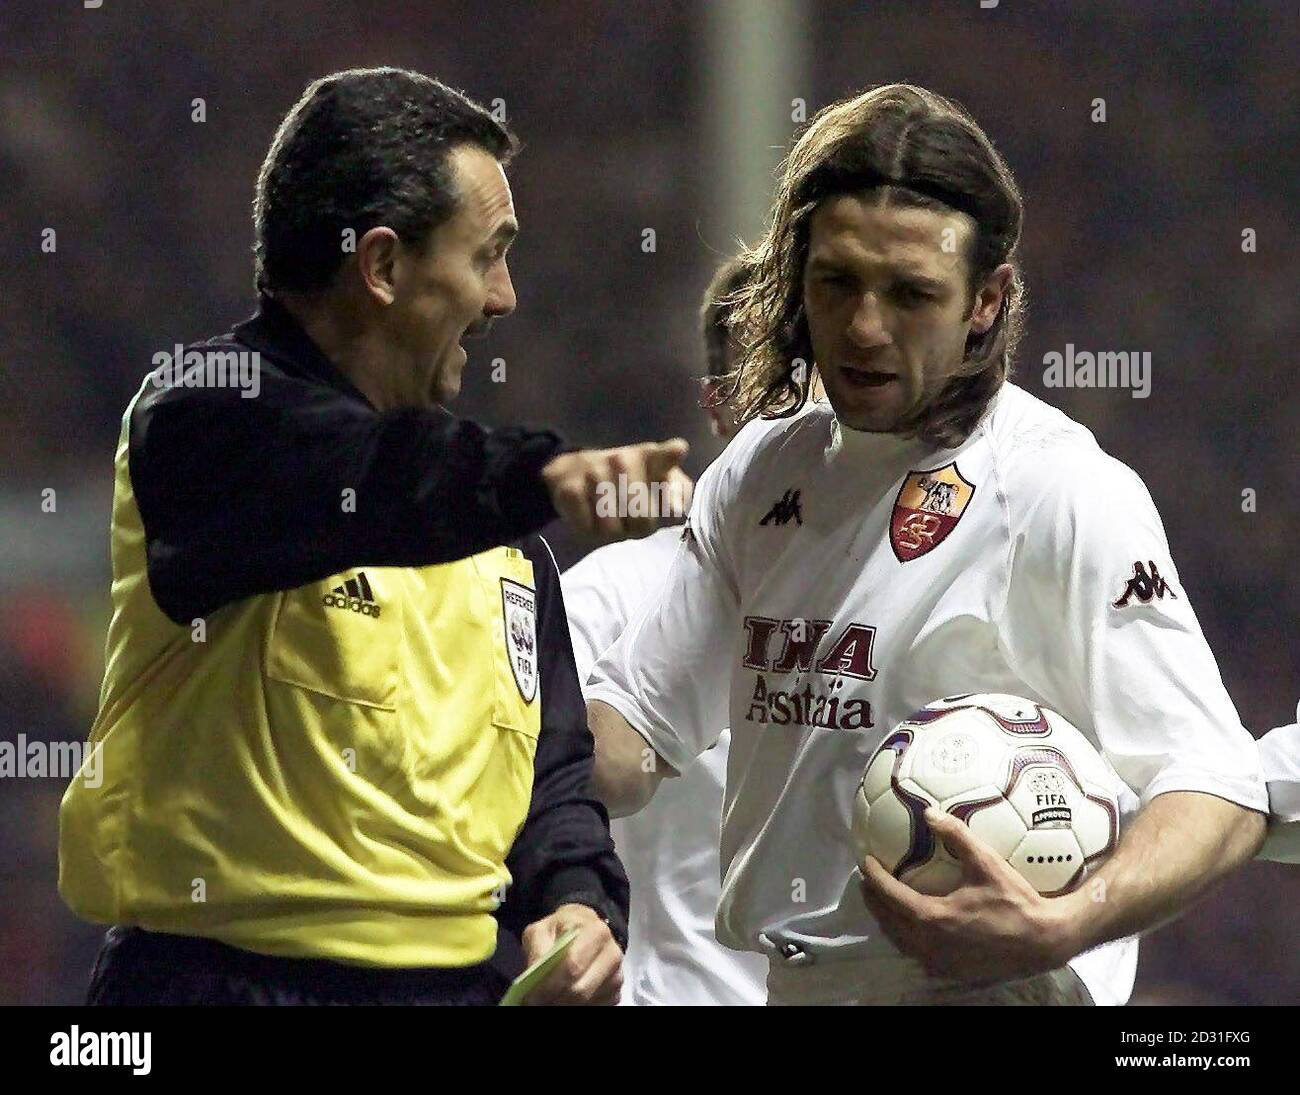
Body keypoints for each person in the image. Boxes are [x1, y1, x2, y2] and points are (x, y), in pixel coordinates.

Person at [583, 83, 1268, 1006]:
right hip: (790, 987)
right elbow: (628, 742)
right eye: (837, 283)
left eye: (911, 295)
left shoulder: (1060, 493)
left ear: (987, 301)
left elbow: (1218, 784)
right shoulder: (760, 472)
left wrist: (1068, 920)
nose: (865, 328)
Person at [59, 67, 692, 1007]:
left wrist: (576, 899)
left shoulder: (509, 557)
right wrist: (540, 477)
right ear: (384, 265)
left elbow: (555, 784)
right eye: (489, 255)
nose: (505, 297)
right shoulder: (205, 421)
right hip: (218, 984)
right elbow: (355, 471)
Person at [561, 256, 768, 1005]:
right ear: (717, 404)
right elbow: (520, 771)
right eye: (773, 383)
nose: (813, 405)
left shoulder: (925, 583)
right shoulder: (614, 591)